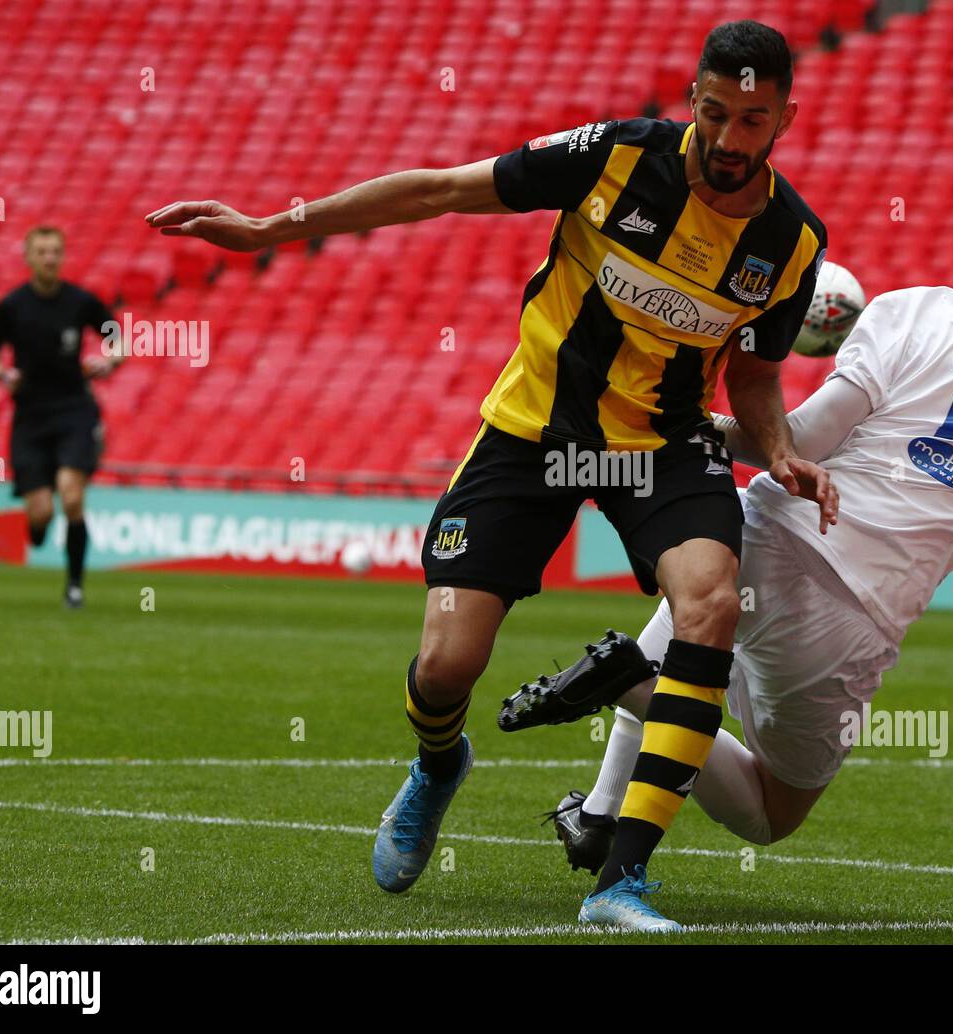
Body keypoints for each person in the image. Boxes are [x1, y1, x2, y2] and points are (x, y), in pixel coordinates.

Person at [146, 20, 837, 930]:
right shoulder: (615, 156)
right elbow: (438, 190)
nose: (729, 138)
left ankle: (619, 883)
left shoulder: (791, 243)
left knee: (709, 603)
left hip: (662, 446)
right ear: (693, 104)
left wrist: (779, 446)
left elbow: (750, 374)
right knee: (445, 665)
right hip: (533, 429)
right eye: (714, 113)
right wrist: (278, 227)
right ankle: (438, 764)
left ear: (786, 114)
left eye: (753, 120)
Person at [513, 193, 953, 929]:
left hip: (762, 531)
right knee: (771, 810)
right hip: (855, 607)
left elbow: (803, 445)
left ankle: (607, 791)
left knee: (684, 663)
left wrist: (699, 426)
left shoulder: (907, 309)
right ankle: (626, 693)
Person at [0, 226, 123, 608]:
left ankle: (74, 586)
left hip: (74, 408)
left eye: (55, 251)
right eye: (41, 251)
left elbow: (117, 336)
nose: (49, 258)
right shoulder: (13, 306)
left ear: (62, 256)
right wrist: (0, 373)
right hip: (30, 416)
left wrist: (110, 360)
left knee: (72, 497)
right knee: (40, 511)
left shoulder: (80, 302)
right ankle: (37, 527)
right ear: (28, 257)